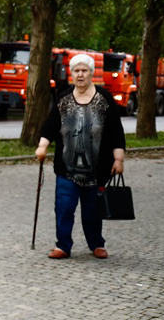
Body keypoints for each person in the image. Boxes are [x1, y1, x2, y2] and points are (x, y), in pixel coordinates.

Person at [34, 53, 127, 259]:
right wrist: (42, 147)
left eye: (84, 70)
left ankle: (96, 244)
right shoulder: (63, 99)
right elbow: (50, 126)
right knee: (64, 208)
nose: (80, 74)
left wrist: (118, 159)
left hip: (97, 169)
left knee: (92, 212)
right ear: (71, 74)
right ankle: (63, 245)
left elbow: (115, 132)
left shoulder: (104, 99)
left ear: (91, 73)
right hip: (67, 169)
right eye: (76, 70)